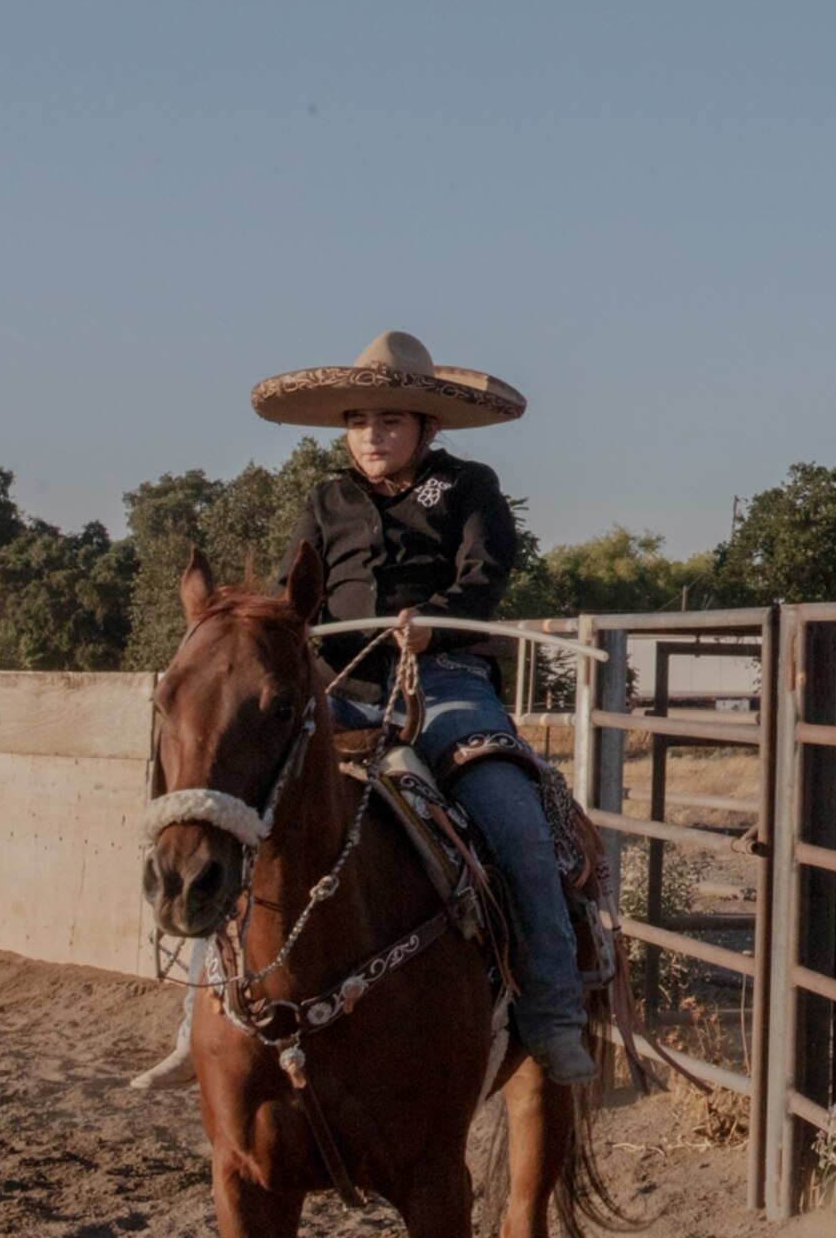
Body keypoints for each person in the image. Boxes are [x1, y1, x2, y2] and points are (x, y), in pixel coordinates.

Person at [131, 331, 595, 1091]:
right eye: (358, 423)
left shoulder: (469, 487)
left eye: (389, 421)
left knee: (510, 813)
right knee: (228, 807)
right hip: (334, 681)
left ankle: (550, 1012)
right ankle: (197, 1021)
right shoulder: (325, 500)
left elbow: (485, 573)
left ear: (425, 427)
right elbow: (292, 598)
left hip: (443, 679)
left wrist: (436, 621)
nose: (371, 437)